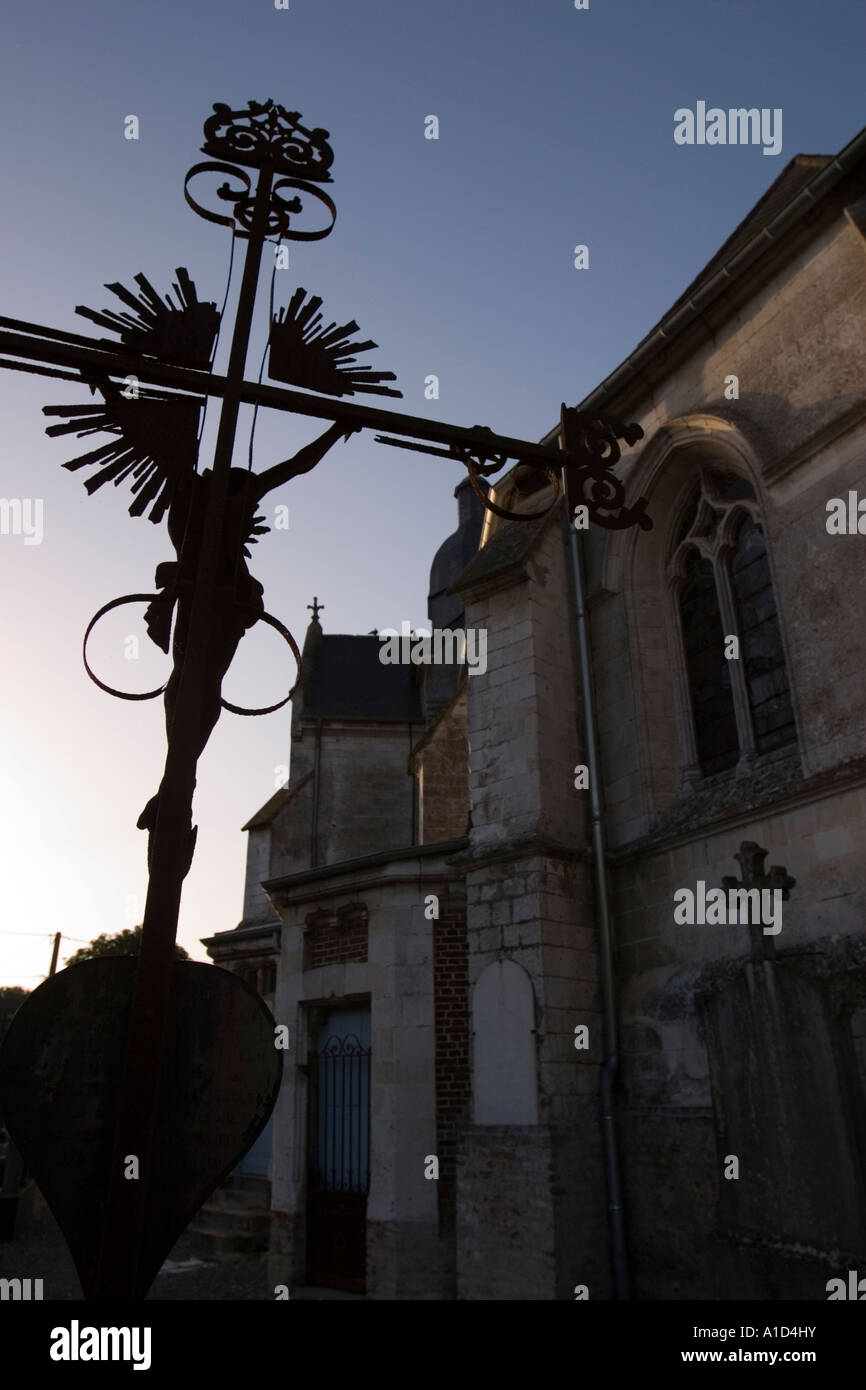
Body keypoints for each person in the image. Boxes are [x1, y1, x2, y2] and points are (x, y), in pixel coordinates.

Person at [137, 419, 359, 871]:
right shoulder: (190, 486)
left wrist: (337, 430)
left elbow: (297, 465)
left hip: (226, 598)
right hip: (202, 595)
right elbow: (140, 433)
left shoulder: (221, 492)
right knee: (185, 686)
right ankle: (173, 788)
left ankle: (174, 789)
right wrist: (106, 386)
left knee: (200, 687)